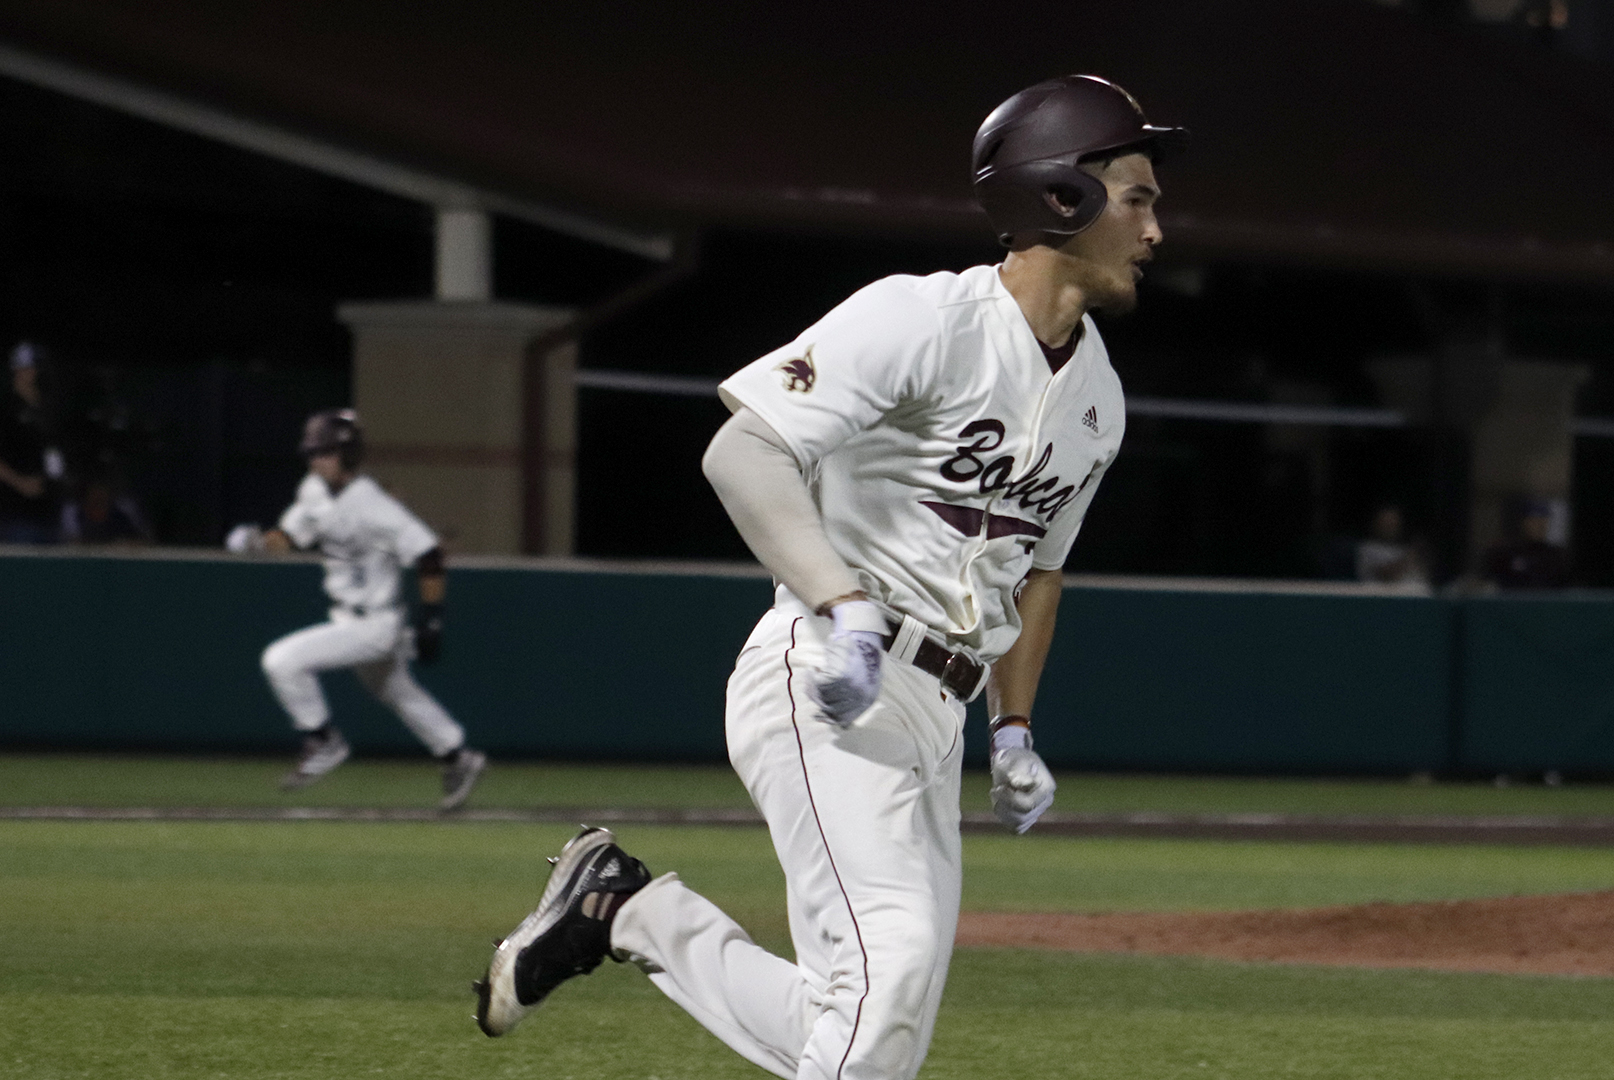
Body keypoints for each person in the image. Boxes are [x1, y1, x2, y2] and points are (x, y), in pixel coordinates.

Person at [474, 75, 1178, 1080]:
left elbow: (1038, 577)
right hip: (831, 677)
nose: (1157, 228)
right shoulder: (921, 318)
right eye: (1139, 197)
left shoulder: (1099, 395)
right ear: (1062, 195)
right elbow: (742, 453)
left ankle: (625, 911)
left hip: (938, 711)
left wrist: (1013, 729)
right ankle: (624, 910)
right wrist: (841, 605)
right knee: (886, 978)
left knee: (866, 1011)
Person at [237, 409, 485, 809]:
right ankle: (457, 755)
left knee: (281, 660)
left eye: (325, 452)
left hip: (375, 623)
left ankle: (322, 740)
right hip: (347, 616)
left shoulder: (373, 504)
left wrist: (432, 617)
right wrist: (260, 545)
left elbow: (429, 554)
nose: (316, 460)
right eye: (312, 453)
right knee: (395, 690)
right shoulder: (314, 490)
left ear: (348, 454)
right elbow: (289, 536)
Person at [0, 342, 62, 544]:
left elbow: (54, 453)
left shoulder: (47, 406)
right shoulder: (7, 407)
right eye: (25, 367)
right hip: (17, 512)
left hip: (50, 509)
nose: (31, 372)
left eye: (35, 367)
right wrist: (20, 482)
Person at [1481, 497, 1571, 589]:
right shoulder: (1505, 553)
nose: (1539, 526)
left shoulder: (1555, 556)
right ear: (1523, 522)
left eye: (1543, 521)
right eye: (1533, 521)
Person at [1355, 503, 1429, 590]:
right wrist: (1411, 554)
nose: (1390, 526)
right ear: (1377, 524)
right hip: (1383, 599)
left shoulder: (1403, 549)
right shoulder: (1368, 549)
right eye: (1386, 523)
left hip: (1418, 597)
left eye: (1393, 522)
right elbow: (1387, 576)